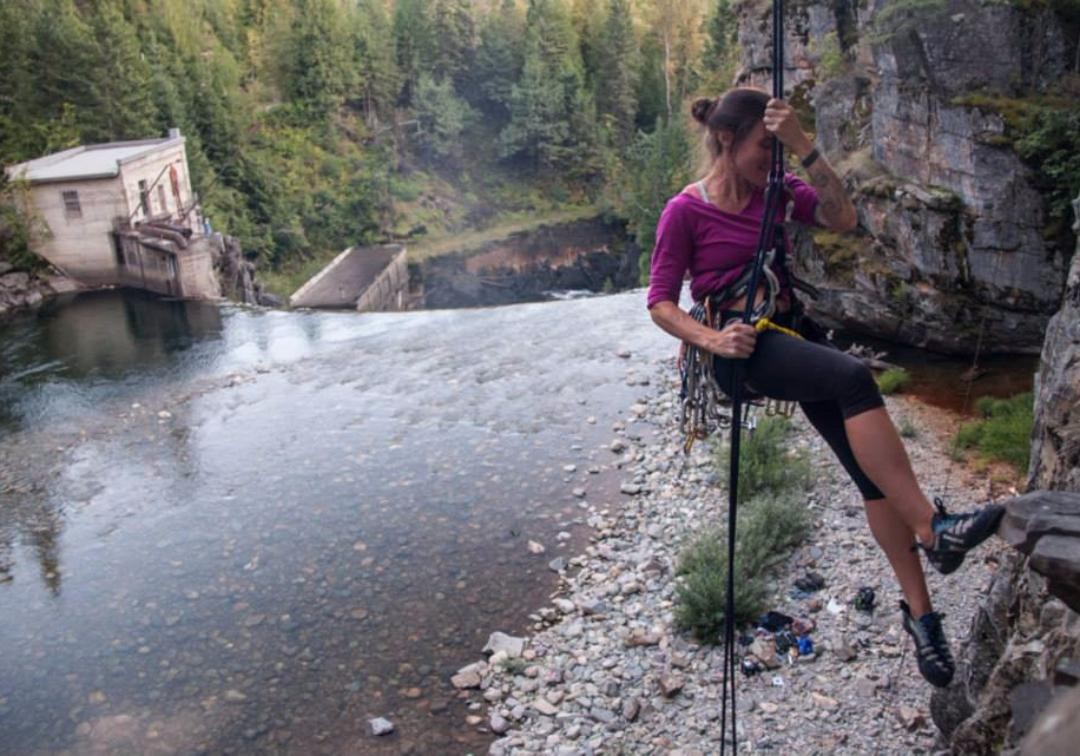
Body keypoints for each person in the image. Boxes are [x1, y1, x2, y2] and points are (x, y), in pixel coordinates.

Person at [645, 86, 1004, 688]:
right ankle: (935, 528)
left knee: (872, 475)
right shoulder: (686, 210)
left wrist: (804, 147)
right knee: (852, 376)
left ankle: (923, 619)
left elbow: (843, 217)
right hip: (742, 351)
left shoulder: (776, 192)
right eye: (766, 147)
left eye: (777, 149)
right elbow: (659, 303)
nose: (772, 160)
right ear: (728, 140)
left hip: (788, 334)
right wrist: (710, 342)